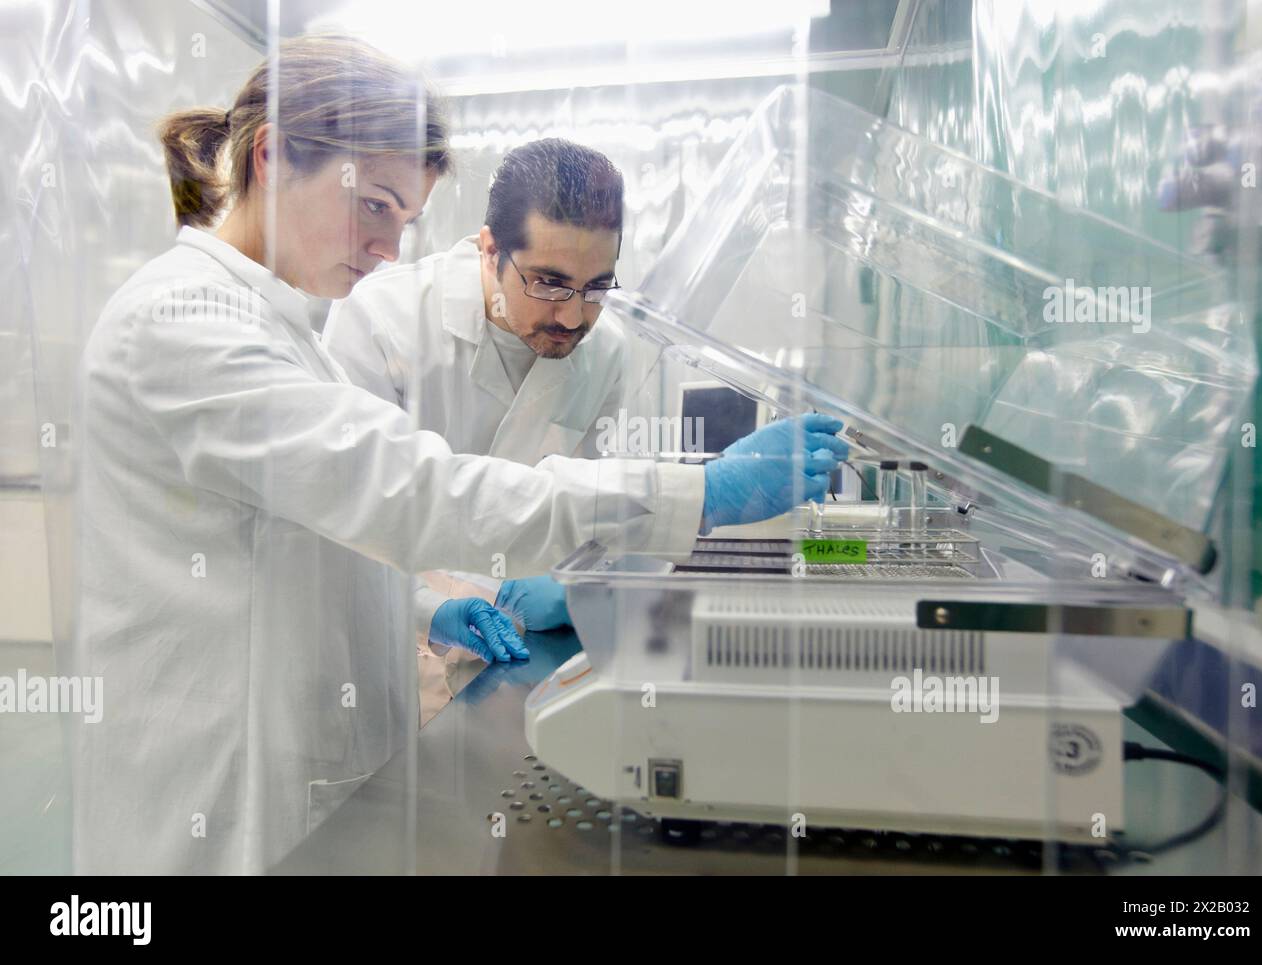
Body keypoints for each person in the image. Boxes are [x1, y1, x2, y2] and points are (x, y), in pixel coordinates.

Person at [72, 34, 848, 873]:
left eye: (403, 220)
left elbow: (327, 520)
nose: (387, 249)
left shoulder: (279, 326)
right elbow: (406, 488)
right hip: (222, 802)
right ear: (271, 157)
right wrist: (699, 494)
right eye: (373, 204)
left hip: (321, 764)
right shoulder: (184, 322)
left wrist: (423, 608)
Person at [324, 139, 631, 658]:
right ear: (490, 251)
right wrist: (428, 610)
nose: (573, 318)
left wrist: (580, 578)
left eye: (596, 288)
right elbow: (342, 513)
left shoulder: (606, 349)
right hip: (393, 644)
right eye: (550, 285)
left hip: (527, 652)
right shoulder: (381, 320)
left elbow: (593, 507)